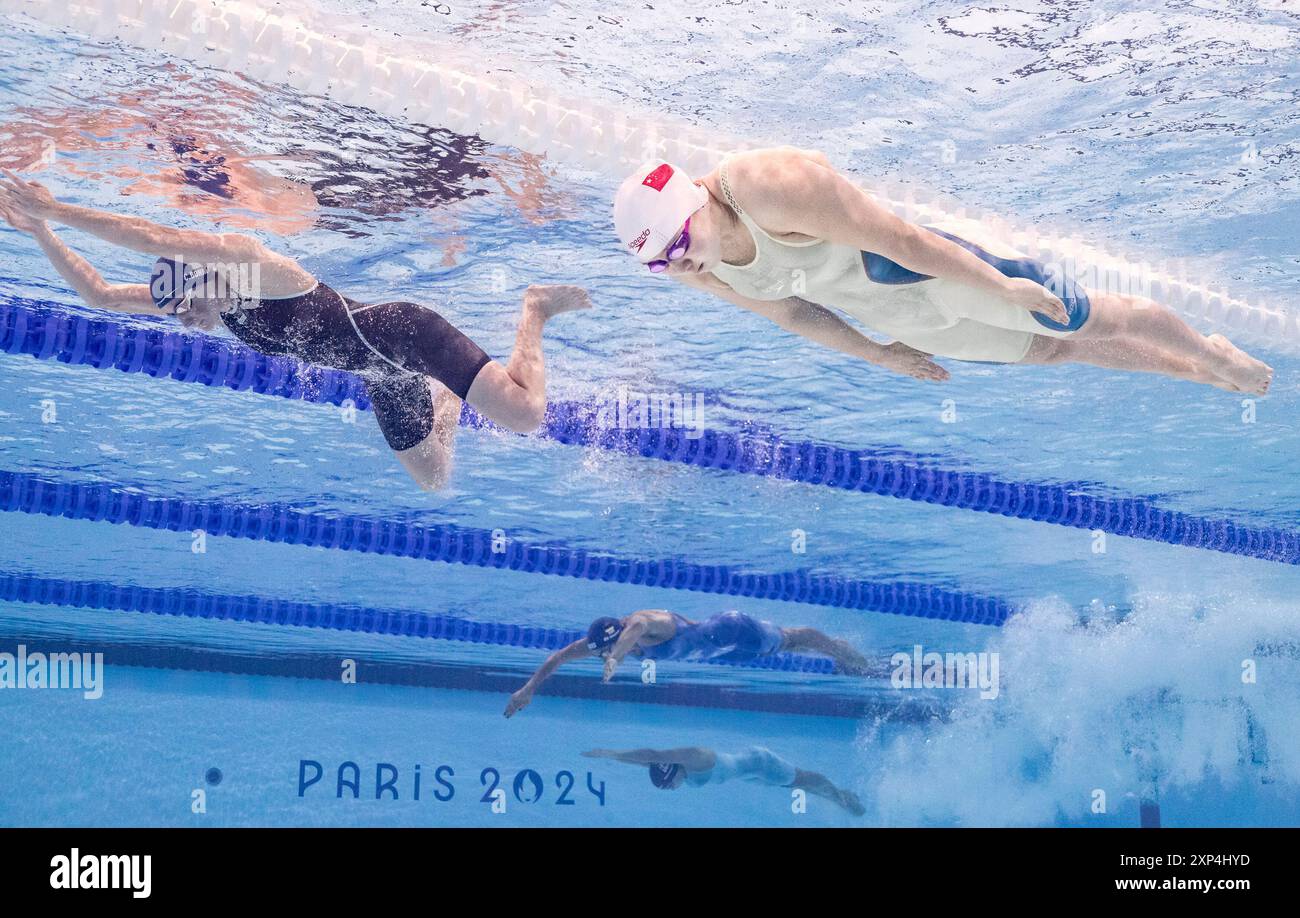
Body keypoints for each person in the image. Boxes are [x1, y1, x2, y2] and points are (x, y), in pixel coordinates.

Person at [0, 170, 589, 490]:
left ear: (207, 273)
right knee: (436, 480)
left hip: (406, 335)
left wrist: (57, 211)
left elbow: (150, 238)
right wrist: (40, 236)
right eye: (179, 307)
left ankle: (533, 309)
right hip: (382, 375)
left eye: (188, 300)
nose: (187, 316)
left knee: (525, 416)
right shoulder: (205, 297)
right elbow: (100, 292)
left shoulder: (254, 263)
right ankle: (447, 397)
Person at [612, 147, 1272, 394]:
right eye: (660, 262)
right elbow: (791, 311)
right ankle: (1194, 372)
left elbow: (897, 236)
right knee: (1053, 353)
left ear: (693, 201)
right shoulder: (694, 268)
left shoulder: (772, 187)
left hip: (932, 271)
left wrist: (998, 282)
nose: (677, 263)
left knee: (1092, 316)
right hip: (902, 317)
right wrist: (879, 356)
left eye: (677, 244)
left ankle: (1208, 351)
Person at [503, 609, 872, 716]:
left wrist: (615, 658)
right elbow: (559, 657)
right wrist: (527, 689)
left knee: (797, 638)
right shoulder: (606, 642)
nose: (609, 655)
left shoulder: (644, 625)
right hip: (723, 651)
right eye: (602, 653)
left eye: (611, 649)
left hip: (732, 629)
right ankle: (843, 655)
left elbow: (639, 628)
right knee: (790, 646)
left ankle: (857, 659)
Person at [583, 745, 865, 816]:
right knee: (798, 785)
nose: (670, 790)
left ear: (671, 774)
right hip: (752, 775)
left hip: (760, 764)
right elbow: (648, 761)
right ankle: (840, 796)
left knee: (801, 781)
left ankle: (842, 799)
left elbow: (653, 754)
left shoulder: (695, 757)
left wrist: (613, 752)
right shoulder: (677, 769)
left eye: (667, 786)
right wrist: (613, 757)